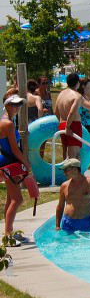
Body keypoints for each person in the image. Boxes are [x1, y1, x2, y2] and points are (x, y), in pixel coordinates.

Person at [1, 94, 36, 244]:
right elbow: (15, 150)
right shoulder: (7, 123)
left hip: (9, 161)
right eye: (14, 105)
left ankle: (8, 232)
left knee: (10, 199)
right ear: (7, 105)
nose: (17, 108)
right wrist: (27, 164)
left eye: (19, 105)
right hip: (9, 162)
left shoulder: (9, 120)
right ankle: (8, 235)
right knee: (17, 199)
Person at [54, 158, 90, 233]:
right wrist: (57, 226)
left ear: (75, 169)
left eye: (66, 170)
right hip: (68, 222)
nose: (64, 173)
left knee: (87, 243)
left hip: (86, 221)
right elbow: (60, 206)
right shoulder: (64, 186)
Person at [54, 72, 84, 161]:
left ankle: (67, 174)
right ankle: (73, 174)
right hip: (72, 125)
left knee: (65, 153)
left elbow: (56, 112)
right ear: (78, 83)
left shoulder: (61, 94)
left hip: (62, 123)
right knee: (74, 155)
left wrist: (63, 124)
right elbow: (72, 112)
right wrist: (68, 127)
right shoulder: (77, 96)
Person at [78, 76, 90, 142]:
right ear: (83, 87)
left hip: (88, 124)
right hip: (82, 125)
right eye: (89, 87)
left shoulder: (86, 98)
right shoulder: (80, 97)